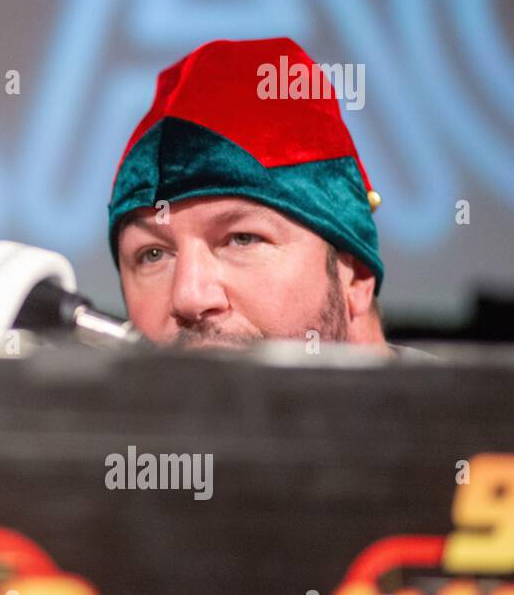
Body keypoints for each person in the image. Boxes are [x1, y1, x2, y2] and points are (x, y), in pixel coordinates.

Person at [108, 37, 423, 356]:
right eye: (153, 254)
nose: (189, 298)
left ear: (356, 277)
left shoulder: (468, 407)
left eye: (243, 238)